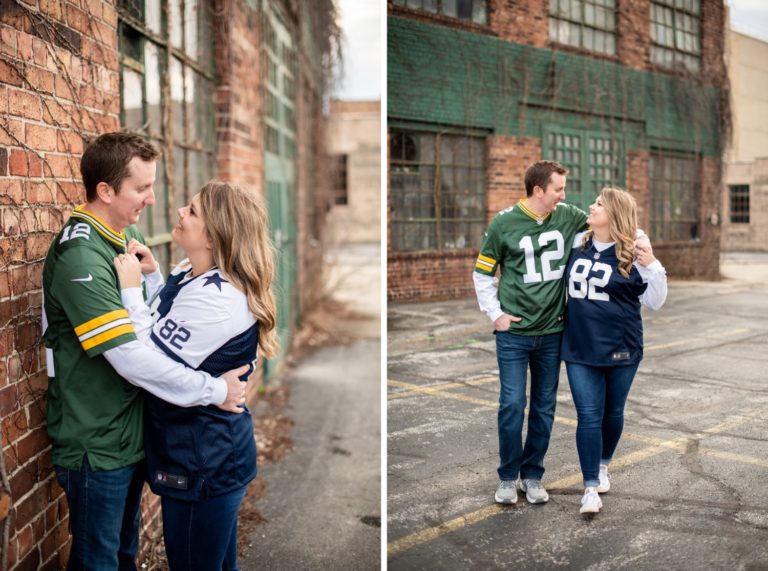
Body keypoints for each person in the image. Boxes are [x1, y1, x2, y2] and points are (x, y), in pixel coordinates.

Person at [42, 132, 247, 570]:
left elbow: (152, 328)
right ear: (105, 190)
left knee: (123, 555)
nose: (153, 200)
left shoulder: (123, 233)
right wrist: (215, 389)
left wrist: (150, 283)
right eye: (141, 188)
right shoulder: (80, 255)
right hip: (96, 442)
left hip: (130, 435)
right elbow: (132, 357)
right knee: (99, 561)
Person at [114, 181, 278, 570]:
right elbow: (170, 325)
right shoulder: (195, 274)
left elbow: (146, 357)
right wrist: (154, 280)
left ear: (214, 235)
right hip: (206, 453)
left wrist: (130, 291)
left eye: (192, 211)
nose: (180, 214)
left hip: (203, 461)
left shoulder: (219, 300)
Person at [473, 160, 589, 505]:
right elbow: (482, 273)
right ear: (538, 190)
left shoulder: (567, 216)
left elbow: (605, 224)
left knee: (543, 406)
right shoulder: (504, 223)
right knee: (511, 404)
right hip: (514, 335)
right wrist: (496, 314)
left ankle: (533, 475)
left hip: (552, 333)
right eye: (558, 189)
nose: (563, 196)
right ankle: (508, 477)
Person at [560, 187, 667, 515]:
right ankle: (590, 487)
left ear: (614, 214)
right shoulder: (578, 242)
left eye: (598, 204)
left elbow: (655, 302)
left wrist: (652, 265)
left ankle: (604, 465)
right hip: (579, 345)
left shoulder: (634, 252)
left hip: (621, 345)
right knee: (588, 415)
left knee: (613, 412)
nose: (590, 207)